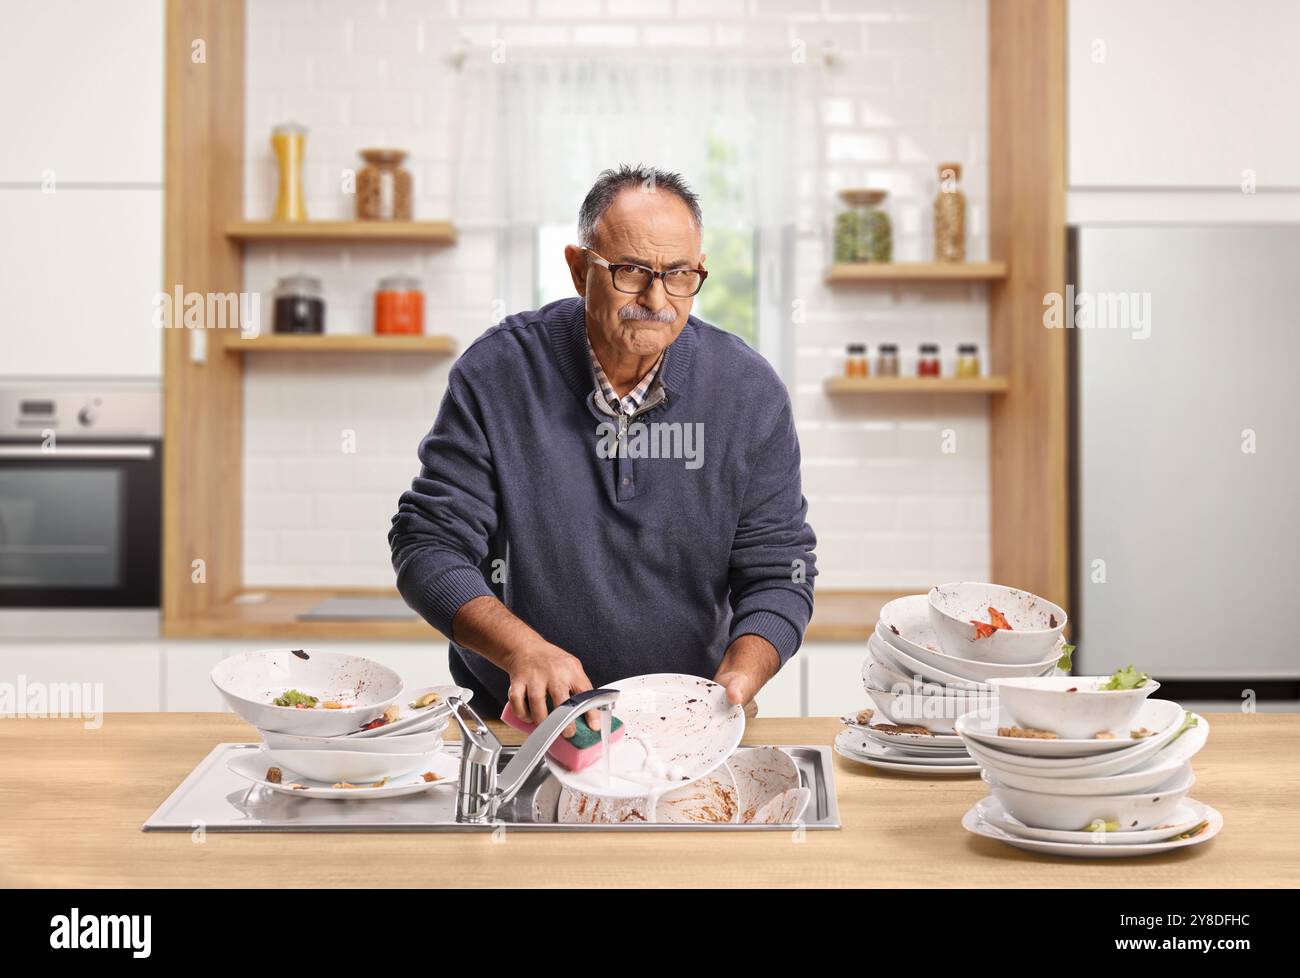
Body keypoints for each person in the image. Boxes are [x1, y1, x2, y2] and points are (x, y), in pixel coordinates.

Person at [390, 164, 816, 734]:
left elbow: (779, 572)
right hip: (520, 727)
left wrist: (743, 670)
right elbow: (429, 546)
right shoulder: (497, 372)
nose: (656, 298)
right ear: (577, 268)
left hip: (686, 727)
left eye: (679, 273)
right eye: (631, 272)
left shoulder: (749, 391)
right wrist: (523, 650)